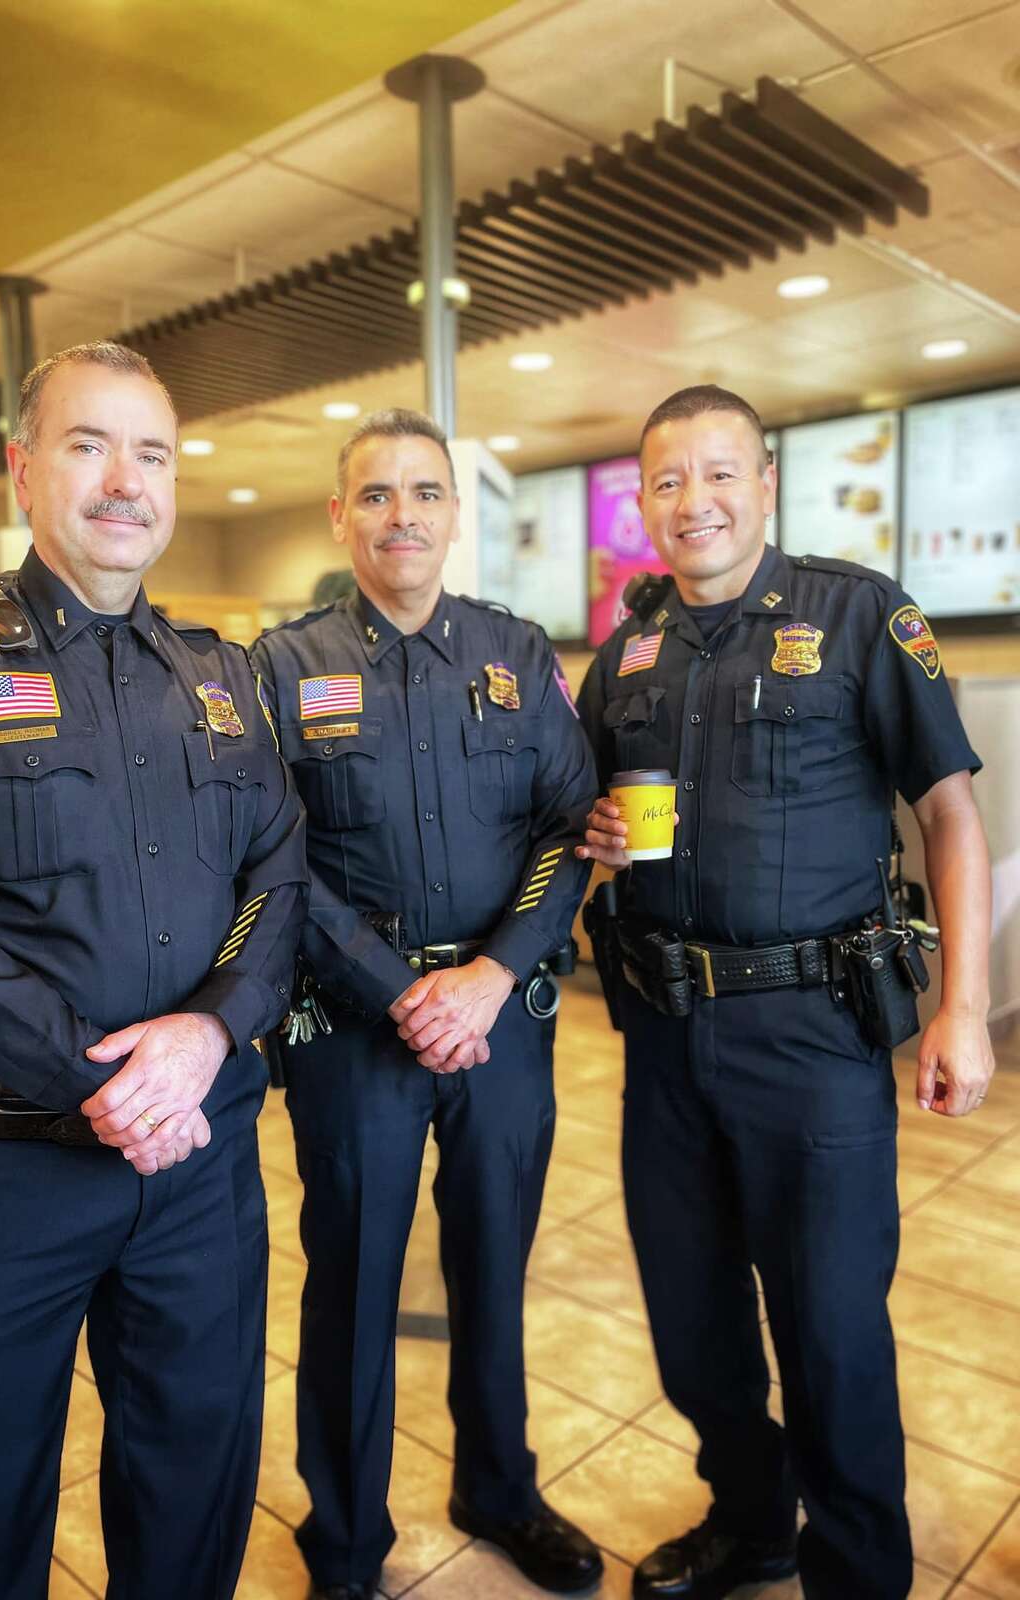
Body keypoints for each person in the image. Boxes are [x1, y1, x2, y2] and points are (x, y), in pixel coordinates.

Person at [0, 341, 308, 1600]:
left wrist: (204, 1039)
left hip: (198, 1174)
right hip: (0, 1173)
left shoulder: (220, 677)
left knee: (194, 1498)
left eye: (150, 452)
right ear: (24, 467)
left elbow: (280, 883)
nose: (123, 480)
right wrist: (107, 1081)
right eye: (89, 444)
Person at [576, 385, 995, 1600]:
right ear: (645, 502)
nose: (693, 500)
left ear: (765, 482)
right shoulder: (631, 648)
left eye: (718, 474)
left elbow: (949, 814)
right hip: (663, 1035)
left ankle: (858, 1572)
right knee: (694, 1326)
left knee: (830, 1334)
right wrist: (599, 833)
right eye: (667, 480)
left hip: (812, 1033)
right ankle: (753, 1521)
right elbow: (586, 813)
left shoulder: (857, 612)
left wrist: (964, 1007)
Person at [250, 408, 604, 1600]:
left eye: (427, 492)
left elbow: (571, 829)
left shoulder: (515, 650)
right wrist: (407, 993)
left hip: (502, 1017)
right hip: (355, 1031)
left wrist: (493, 974)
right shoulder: (282, 667)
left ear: (457, 511)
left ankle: (497, 1487)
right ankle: (347, 1543)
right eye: (378, 494)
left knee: (493, 1262)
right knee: (350, 1282)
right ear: (340, 515)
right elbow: (272, 858)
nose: (404, 514)